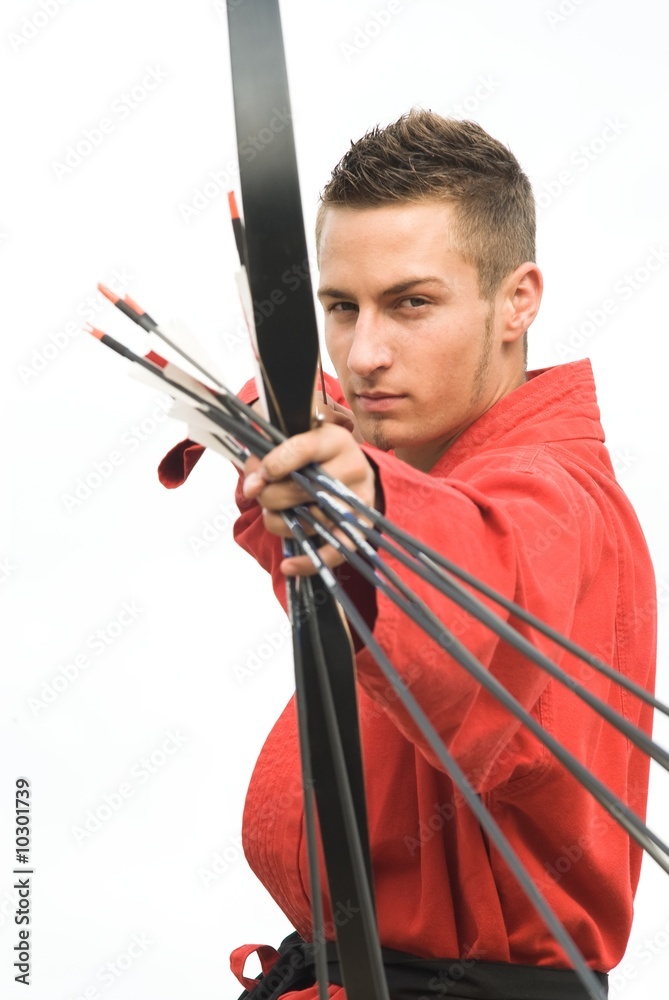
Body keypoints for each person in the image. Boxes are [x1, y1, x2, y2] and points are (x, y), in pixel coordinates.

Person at [159, 110, 656, 999]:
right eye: (341, 308)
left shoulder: (555, 502)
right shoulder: (412, 471)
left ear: (518, 299)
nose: (364, 353)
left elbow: (478, 593)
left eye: (411, 303)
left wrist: (366, 503)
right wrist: (304, 451)